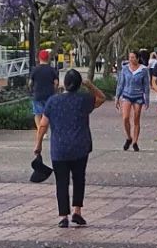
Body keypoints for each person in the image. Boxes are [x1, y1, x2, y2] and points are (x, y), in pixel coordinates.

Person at [36, 68, 106, 228]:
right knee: (79, 179)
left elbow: (43, 125)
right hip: (80, 146)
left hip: (59, 149)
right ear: (79, 84)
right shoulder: (84, 99)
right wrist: (90, 85)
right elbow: (102, 98)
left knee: (62, 182)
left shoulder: (53, 101)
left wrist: (38, 145)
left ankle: (63, 217)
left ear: (65, 84)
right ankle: (77, 211)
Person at [114, 48, 150, 151]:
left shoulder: (143, 70)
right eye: (129, 57)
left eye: (133, 57)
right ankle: (129, 137)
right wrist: (117, 97)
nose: (131, 59)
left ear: (138, 58)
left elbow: (146, 85)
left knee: (136, 119)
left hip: (138, 96)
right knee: (125, 118)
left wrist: (146, 99)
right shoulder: (125, 69)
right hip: (126, 95)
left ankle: (135, 141)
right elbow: (121, 84)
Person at [30, 46, 59, 152]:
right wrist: (55, 90)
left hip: (37, 95)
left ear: (39, 58)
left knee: (37, 114)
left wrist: (31, 90)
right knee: (49, 115)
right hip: (50, 95)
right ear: (48, 58)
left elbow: (30, 82)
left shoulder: (35, 70)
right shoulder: (52, 70)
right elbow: (56, 83)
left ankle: (40, 130)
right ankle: (48, 131)